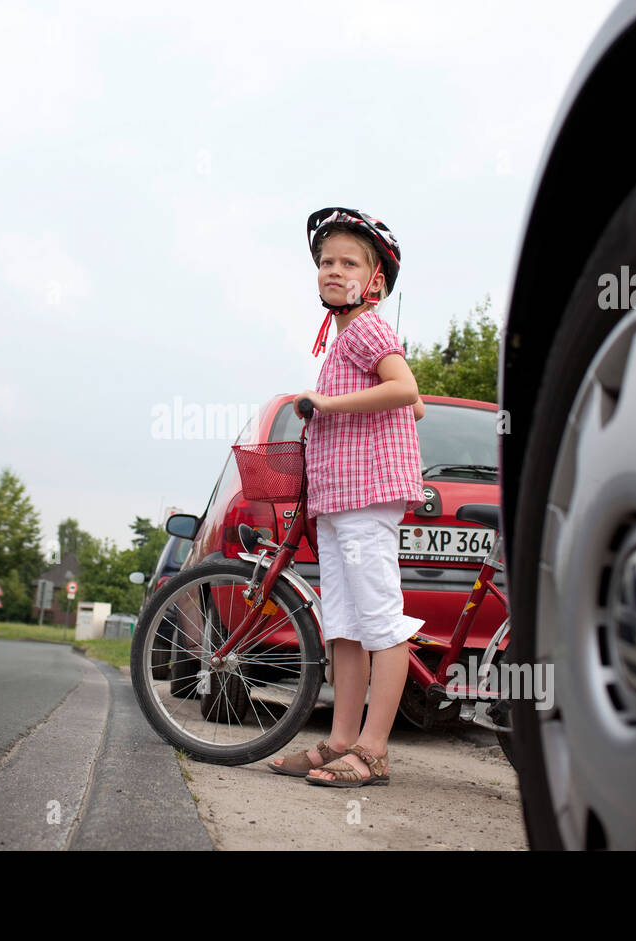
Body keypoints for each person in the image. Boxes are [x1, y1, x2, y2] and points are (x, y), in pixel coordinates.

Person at [268, 207, 425, 787]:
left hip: (365, 495)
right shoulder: (344, 339)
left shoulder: (367, 328)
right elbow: (414, 403)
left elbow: (404, 387)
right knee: (345, 625)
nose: (334, 270)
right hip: (338, 500)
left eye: (349, 262)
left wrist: (327, 405)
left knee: (380, 623)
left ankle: (375, 749)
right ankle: (340, 740)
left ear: (374, 280)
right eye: (326, 261)